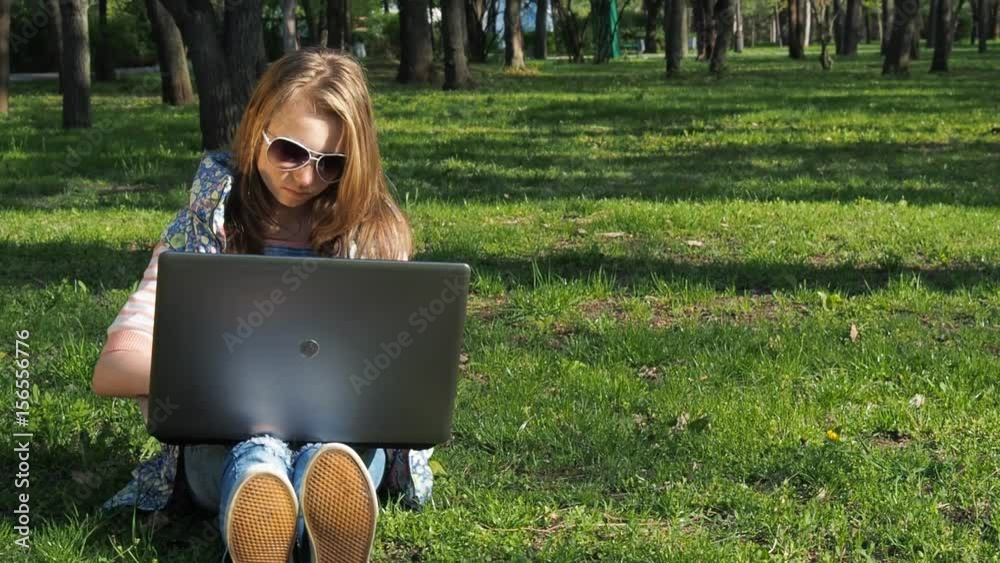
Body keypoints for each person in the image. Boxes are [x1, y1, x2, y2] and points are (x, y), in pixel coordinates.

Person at [91, 47, 435, 563]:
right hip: (222, 442)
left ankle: (307, 505)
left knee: (337, 457)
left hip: (345, 442)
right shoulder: (204, 230)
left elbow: (405, 379)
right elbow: (114, 368)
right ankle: (271, 507)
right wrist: (232, 384)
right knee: (253, 458)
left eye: (332, 164)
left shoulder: (374, 237)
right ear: (256, 129)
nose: (307, 178)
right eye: (290, 153)